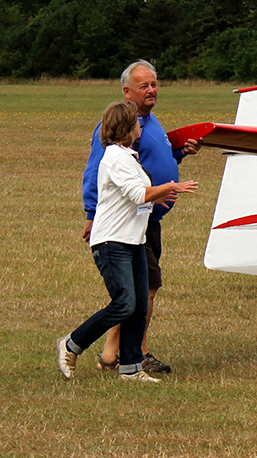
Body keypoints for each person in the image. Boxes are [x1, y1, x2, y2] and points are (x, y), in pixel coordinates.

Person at [58, 101, 197, 382]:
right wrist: (169, 187)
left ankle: (131, 368)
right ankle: (71, 344)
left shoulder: (129, 156)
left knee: (139, 306)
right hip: (112, 243)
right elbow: (136, 194)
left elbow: (135, 195)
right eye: (136, 122)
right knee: (124, 303)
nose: (140, 126)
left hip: (132, 240)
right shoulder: (115, 158)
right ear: (126, 127)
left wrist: (156, 196)